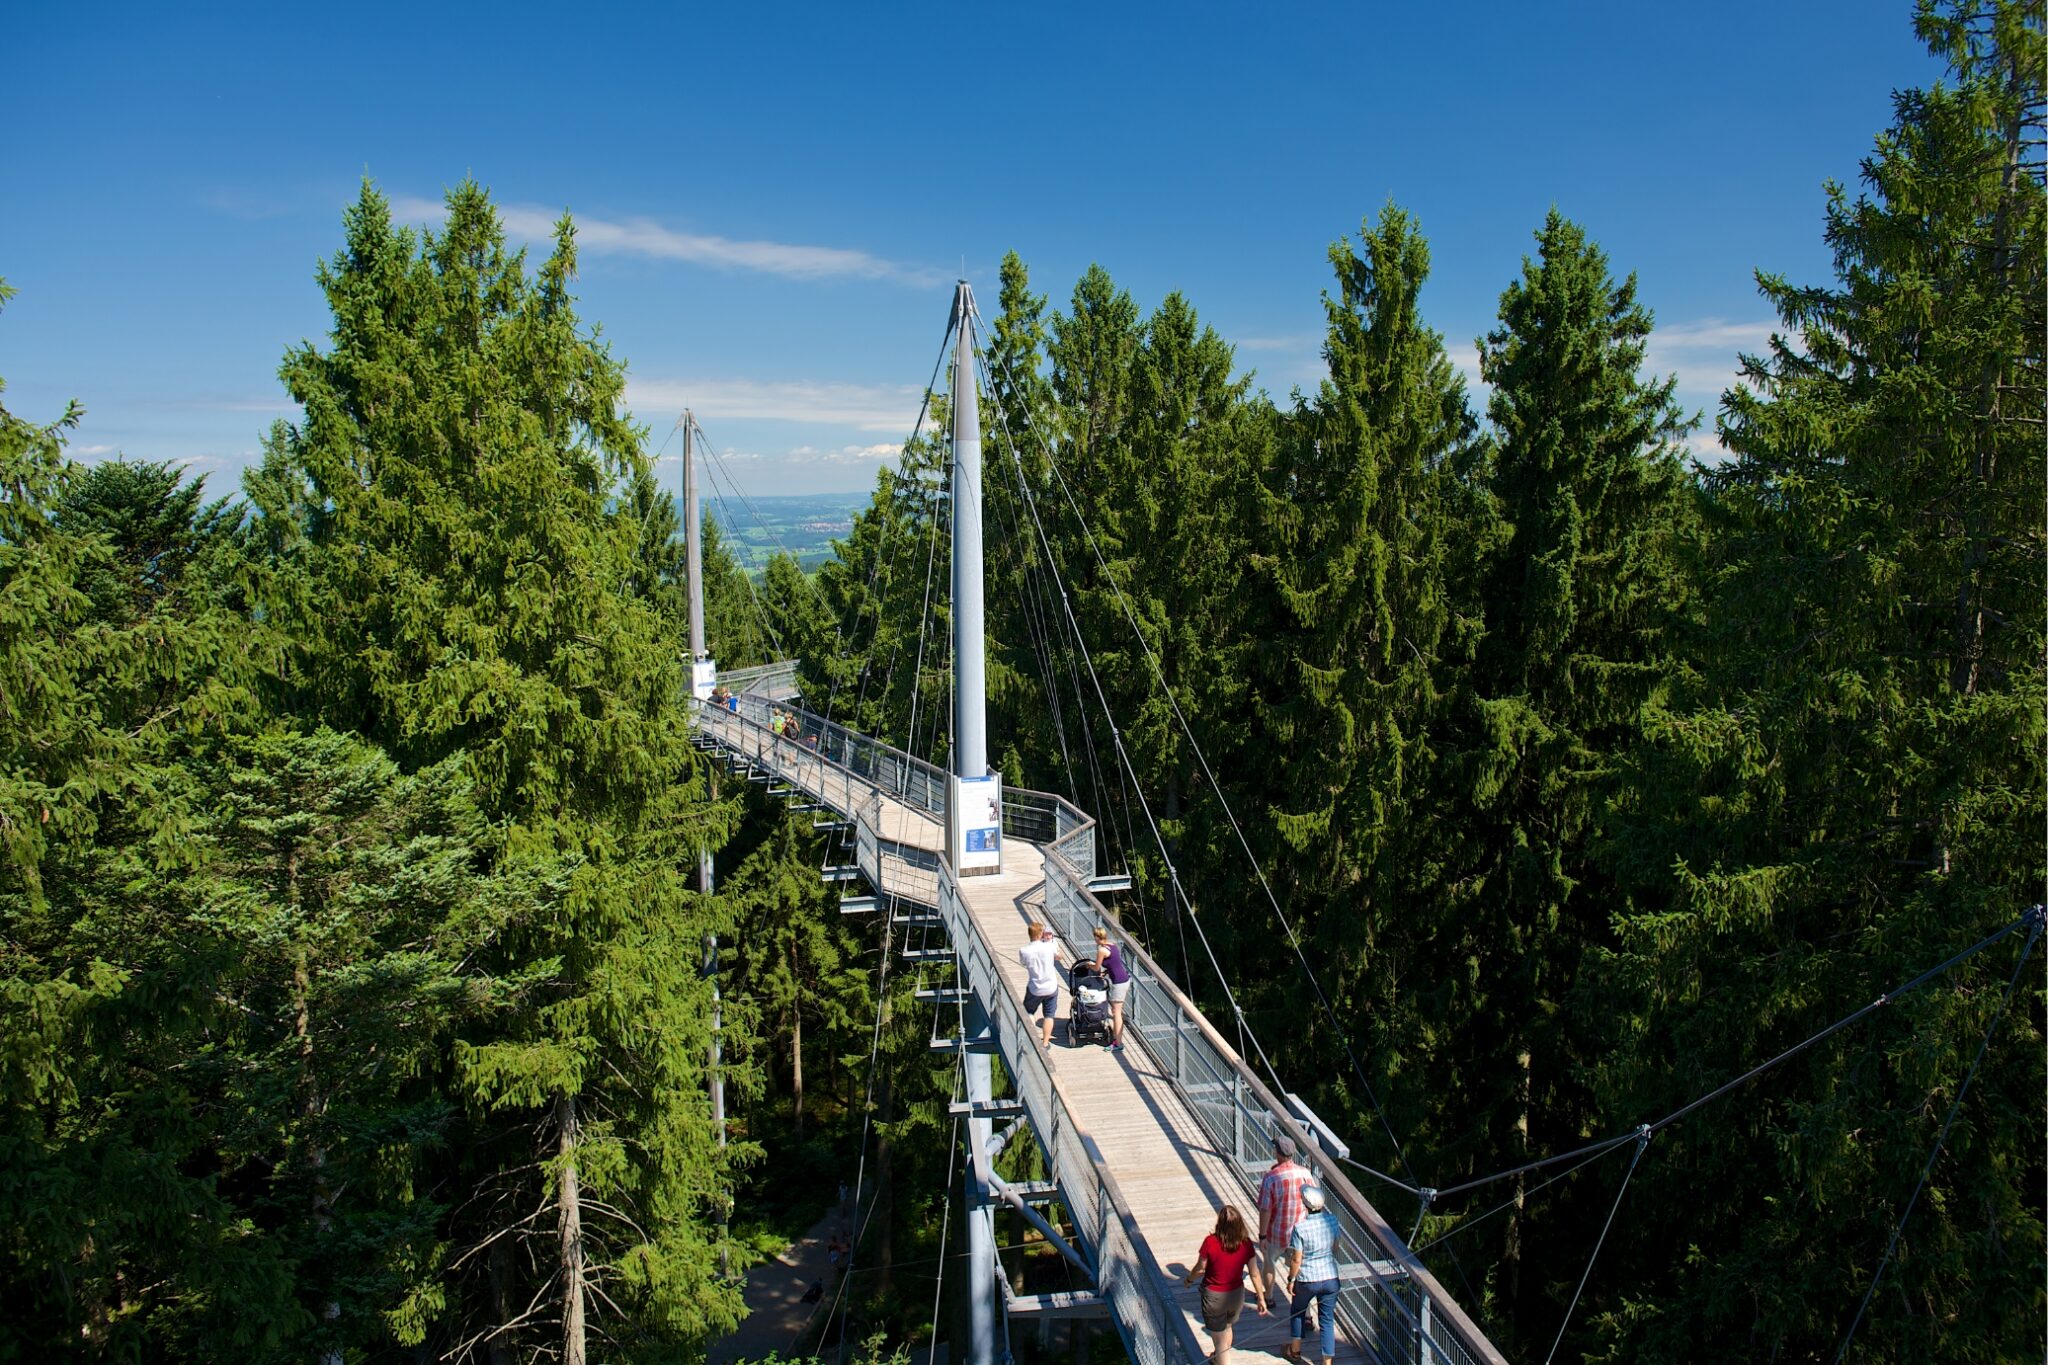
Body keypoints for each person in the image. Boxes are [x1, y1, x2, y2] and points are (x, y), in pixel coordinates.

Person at [1182, 1203, 1268, 1365]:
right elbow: (1255, 1273)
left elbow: (1201, 1268)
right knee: (1227, 1328)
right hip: (1236, 1294)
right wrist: (1261, 1298)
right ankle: (1218, 1358)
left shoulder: (1210, 1242)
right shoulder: (1246, 1244)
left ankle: (1221, 1359)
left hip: (1214, 1296)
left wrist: (1189, 1279)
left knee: (1219, 1340)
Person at [1282, 1184, 1342, 1365]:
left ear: (1305, 1204)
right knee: (1327, 1319)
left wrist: (1291, 1280)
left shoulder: (1300, 1228)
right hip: (1330, 1277)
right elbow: (1336, 1246)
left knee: (1298, 1311)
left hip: (1307, 1279)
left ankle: (1295, 1350)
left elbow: (1296, 1259)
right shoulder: (1333, 1221)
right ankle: (1327, 1362)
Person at [1257, 1135, 1312, 1308]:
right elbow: (1312, 1200)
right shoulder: (1305, 1173)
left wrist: (1262, 1235)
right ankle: (1307, 1315)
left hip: (1277, 1232)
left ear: (1277, 1153)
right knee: (1299, 1270)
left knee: (1269, 1261)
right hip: (1300, 1232)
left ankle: (1270, 1297)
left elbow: (1265, 1209)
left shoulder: (1271, 1177)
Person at [1017, 921, 1064, 1047]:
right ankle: (1045, 1042)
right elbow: (1060, 956)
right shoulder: (1049, 946)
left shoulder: (1024, 950)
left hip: (1035, 988)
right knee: (1049, 1015)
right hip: (1051, 987)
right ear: (1040, 935)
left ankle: (1031, 1037)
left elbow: (1023, 963)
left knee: (1029, 1012)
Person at [1090, 925, 1132, 1051]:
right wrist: (1107, 971)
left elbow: (1096, 968)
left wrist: (1088, 965)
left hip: (1119, 983)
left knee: (1116, 1012)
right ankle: (1117, 1039)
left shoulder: (1101, 950)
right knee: (1116, 1010)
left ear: (1097, 937)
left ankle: (1118, 1043)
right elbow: (1114, 963)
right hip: (1124, 978)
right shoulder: (1112, 945)